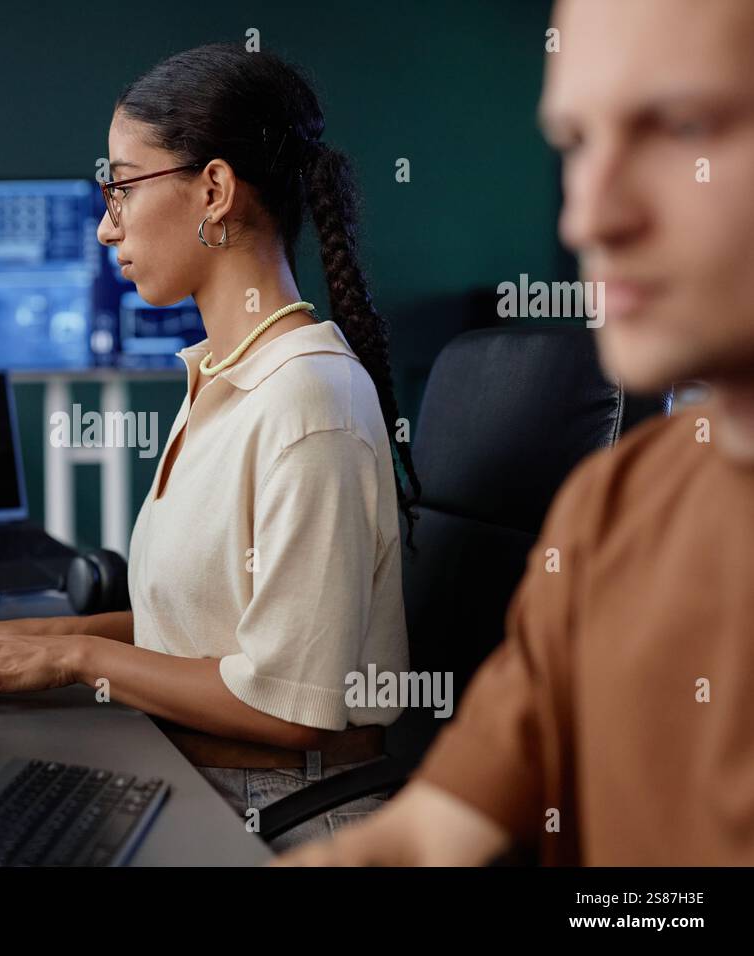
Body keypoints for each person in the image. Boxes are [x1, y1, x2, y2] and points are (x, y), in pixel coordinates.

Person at [0, 43, 420, 848]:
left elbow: (287, 704)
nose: (107, 226)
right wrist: (17, 641)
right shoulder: (222, 374)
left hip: (274, 810)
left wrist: (74, 658)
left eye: (121, 185)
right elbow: (195, 636)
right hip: (196, 772)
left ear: (213, 190)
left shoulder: (310, 399)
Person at [276, 0, 754, 866]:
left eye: (683, 126)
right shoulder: (615, 504)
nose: (588, 220)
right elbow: (432, 833)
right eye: (575, 143)